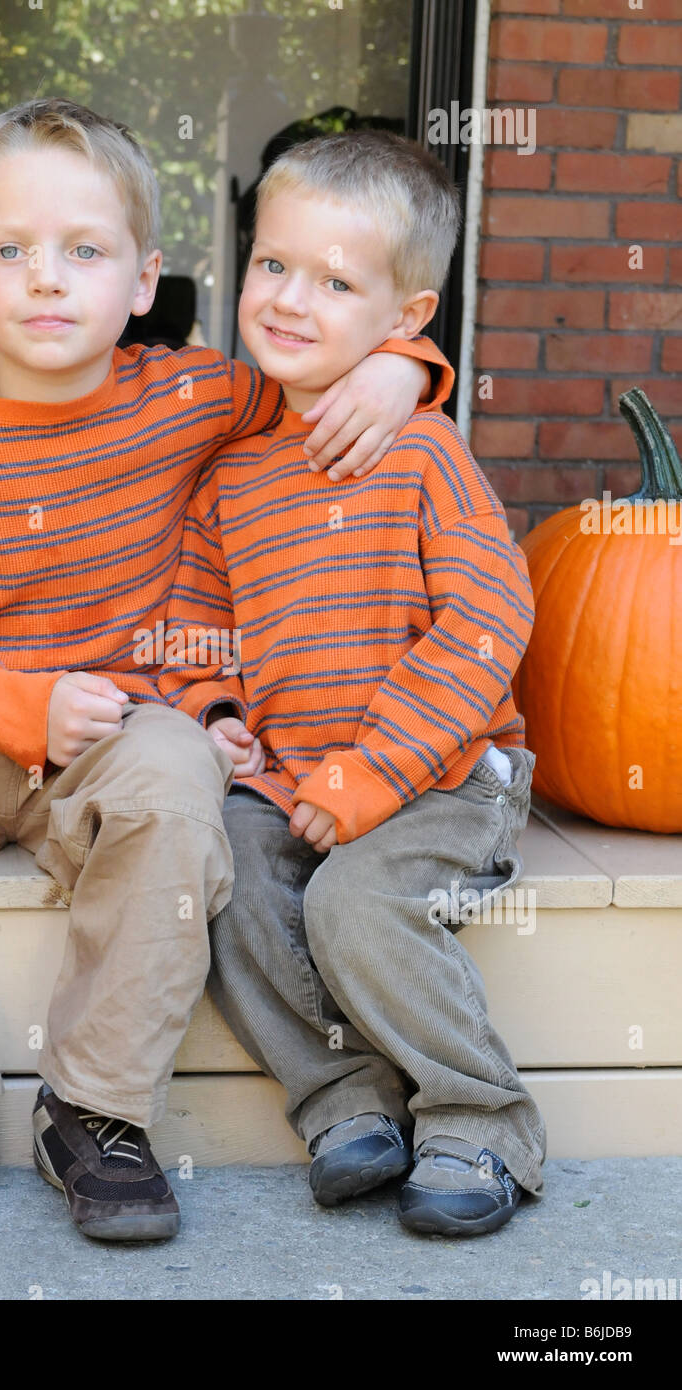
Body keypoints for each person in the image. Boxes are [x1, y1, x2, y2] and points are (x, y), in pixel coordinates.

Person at [0, 99, 452, 1244]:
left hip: (124, 732)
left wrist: (405, 372)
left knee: (179, 780)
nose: (46, 280)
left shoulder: (194, 394)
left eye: (83, 251)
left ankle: (95, 1107)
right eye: (9, 250)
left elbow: (321, 353)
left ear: (142, 279)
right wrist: (7, 703)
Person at [160, 128, 546, 1238]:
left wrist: (375, 773)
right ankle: (347, 1101)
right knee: (222, 867)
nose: (288, 298)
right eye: (273, 266)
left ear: (405, 322)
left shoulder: (423, 452)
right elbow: (194, 623)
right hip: (294, 774)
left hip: (445, 775)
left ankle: (478, 1116)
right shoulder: (230, 470)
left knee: (354, 898)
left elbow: (488, 622)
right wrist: (219, 715)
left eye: (335, 282)